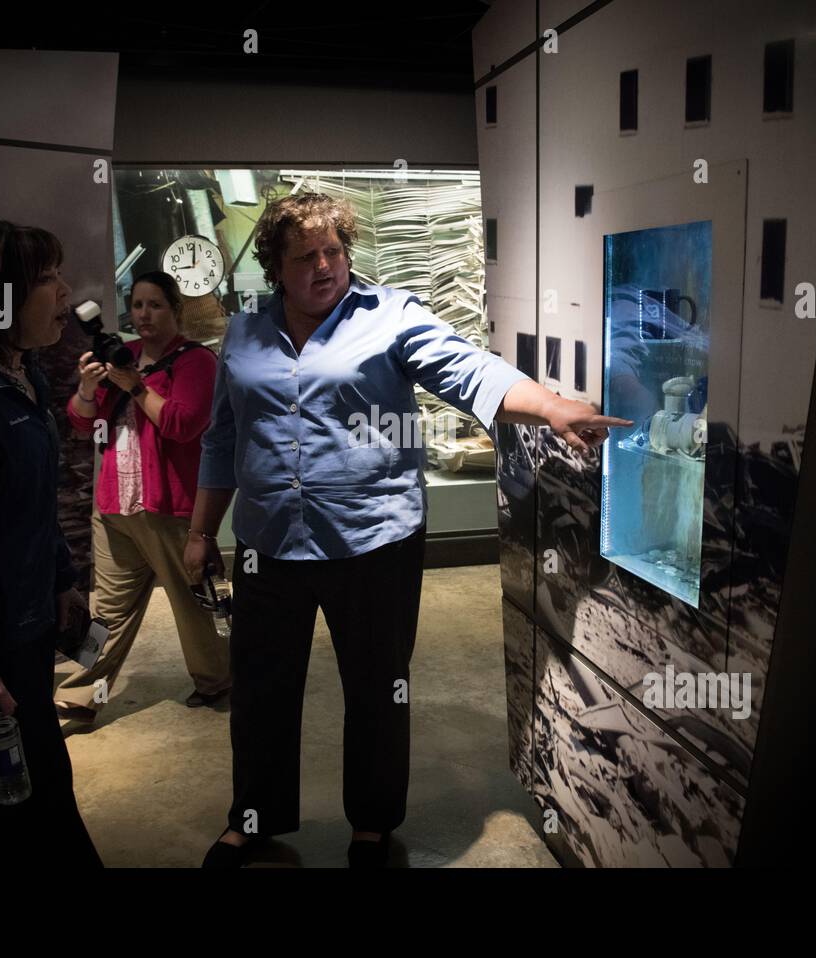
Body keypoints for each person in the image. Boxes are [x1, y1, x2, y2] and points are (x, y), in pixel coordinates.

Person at [186, 192, 629, 868]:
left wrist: (551, 407)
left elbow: (471, 371)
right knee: (260, 687)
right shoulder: (244, 335)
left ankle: (371, 824)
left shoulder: (390, 316)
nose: (326, 265)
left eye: (335, 250)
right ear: (275, 266)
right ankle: (252, 817)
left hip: (373, 540)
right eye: (306, 256)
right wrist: (200, 532)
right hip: (268, 543)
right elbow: (222, 439)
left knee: (376, 686)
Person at [0, 219, 102, 868]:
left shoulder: (25, 374)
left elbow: (33, 510)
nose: (65, 291)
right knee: (34, 777)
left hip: (34, 622)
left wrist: (64, 578)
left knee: (20, 779)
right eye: (45, 279)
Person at [56, 271, 230, 722]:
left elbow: (182, 424)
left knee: (192, 605)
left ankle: (218, 680)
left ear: (175, 310)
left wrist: (135, 384)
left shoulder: (196, 362)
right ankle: (80, 696)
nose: (144, 314)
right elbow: (80, 423)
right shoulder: (122, 354)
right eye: (137, 305)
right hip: (114, 504)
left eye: (155, 305)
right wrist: (89, 389)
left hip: (170, 507)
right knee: (105, 610)